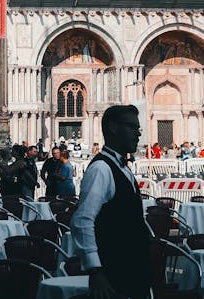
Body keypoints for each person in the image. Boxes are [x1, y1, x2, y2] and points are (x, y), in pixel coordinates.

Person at [71, 105, 148, 299]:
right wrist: (95, 270)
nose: (137, 134)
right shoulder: (101, 169)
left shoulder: (122, 168)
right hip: (113, 276)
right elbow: (82, 220)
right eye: (131, 127)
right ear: (113, 128)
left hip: (133, 271)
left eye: (137, 128)